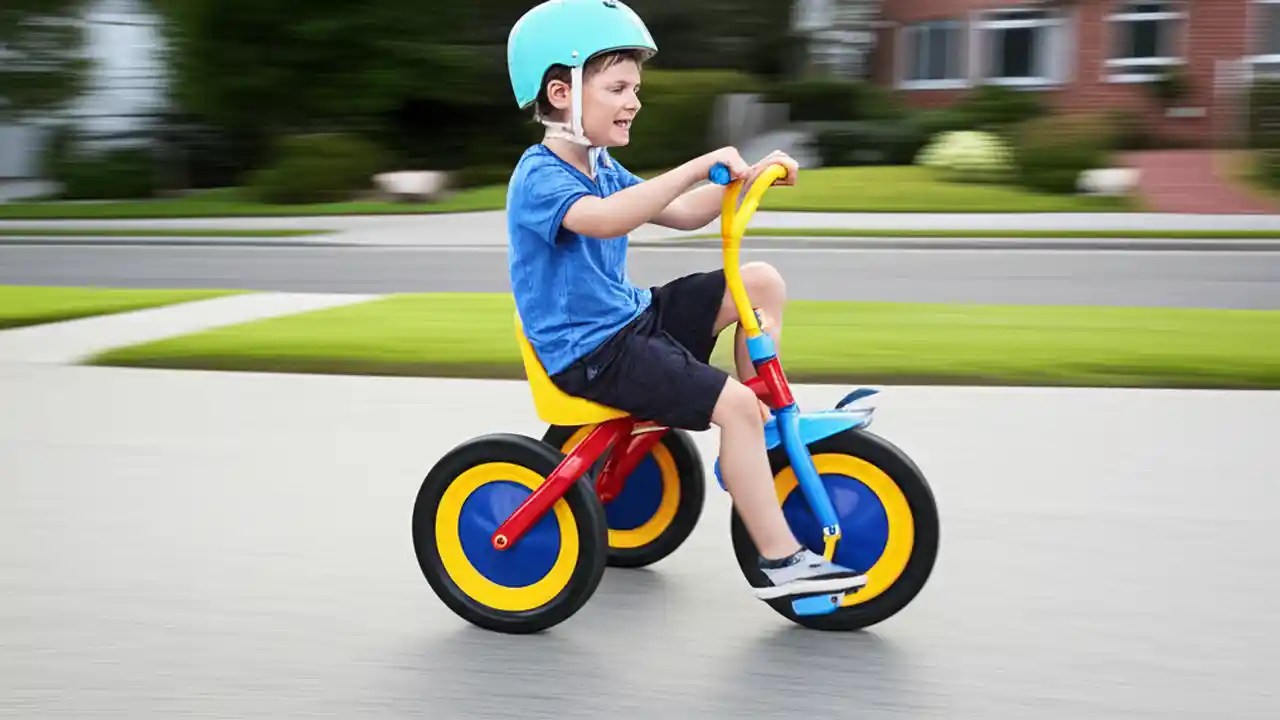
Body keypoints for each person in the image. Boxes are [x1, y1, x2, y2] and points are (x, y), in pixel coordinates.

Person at [504, 0, 866, 601]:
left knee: (761, 281)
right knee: (733, 409)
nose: (634, 100)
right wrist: (698, 165)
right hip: (592, 351)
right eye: (618, 86)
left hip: (629, 320)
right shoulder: (541, 177)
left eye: (635, 88)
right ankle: (781, 563)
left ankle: (759, 433)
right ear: (561, 91)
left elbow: (681, 213)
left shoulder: (599, 163)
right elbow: (605, 219)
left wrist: (747, 179)